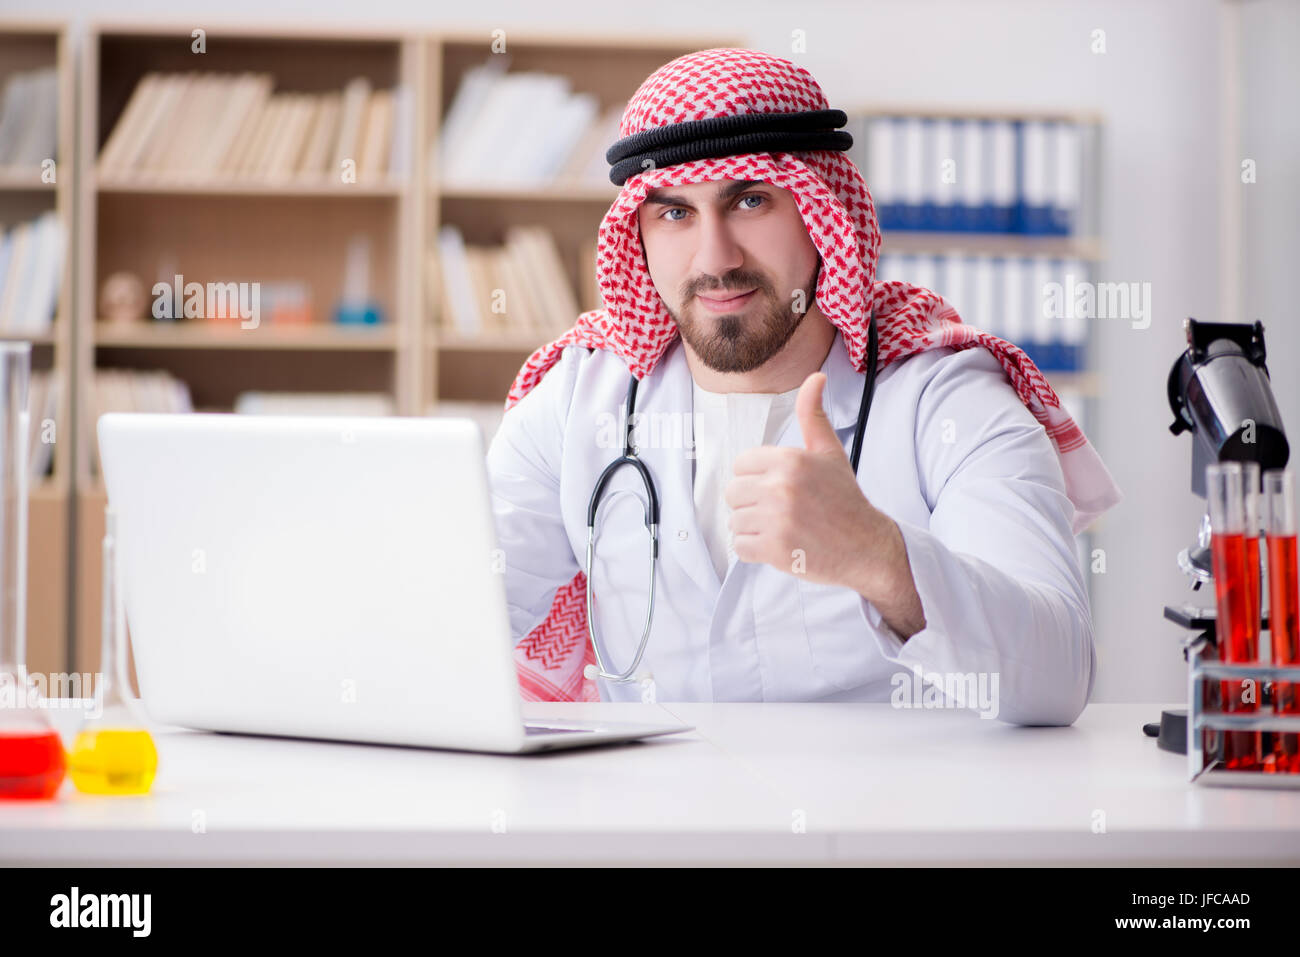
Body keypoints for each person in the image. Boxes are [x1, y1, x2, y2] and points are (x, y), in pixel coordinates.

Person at [484, 48, 1123, 725]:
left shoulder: (945, 398)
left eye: (750, 201)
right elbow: (452, 616)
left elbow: (1057, 675)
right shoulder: (579, 398)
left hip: (893, 797)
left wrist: (879, 557)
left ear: (822, 213)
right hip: (646, 796)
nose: (715, 258)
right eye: (674, 214)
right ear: (637, 235)